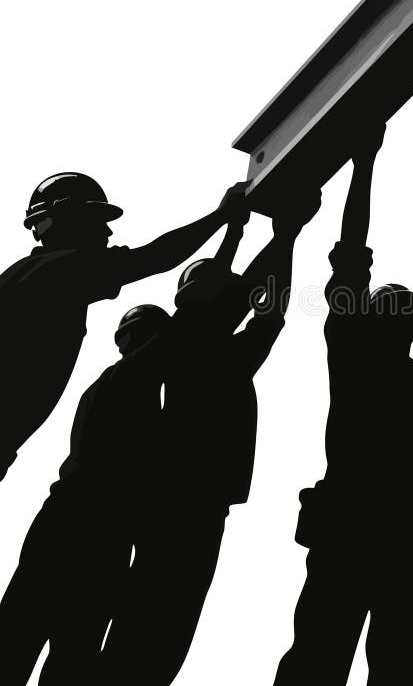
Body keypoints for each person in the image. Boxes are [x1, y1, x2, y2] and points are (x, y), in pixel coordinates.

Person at [96, 194, 319, 686]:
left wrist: (270, 238)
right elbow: (250, 306)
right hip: (183, 504)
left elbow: (255, 307)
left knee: (156, 625)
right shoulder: (197, 352)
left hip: (186, 504)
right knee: (155, 625)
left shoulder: (206, 355)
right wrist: (282, 237)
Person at [273, 127, 413, 686]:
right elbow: (351, 258)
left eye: (412, 316)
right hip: (352, 529)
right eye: (398, 312)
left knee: (399, 665)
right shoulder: (354, 355)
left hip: (404, 537)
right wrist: (364, 165)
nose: (409, 322)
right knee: (319, 657)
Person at [0, 171, 247, 480]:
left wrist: (231, 231)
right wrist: (222, 217)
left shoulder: (32, 275)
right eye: (96, 220)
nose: (107, 232)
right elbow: (155, 258)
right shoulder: (60, 270)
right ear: (69, 221)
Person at [0, 302, 170, 686]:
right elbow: (180, 336)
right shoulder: (128, 379)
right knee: (64, 649)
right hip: (92, 529)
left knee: (25, 636)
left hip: (73, 523)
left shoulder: (115, 385)